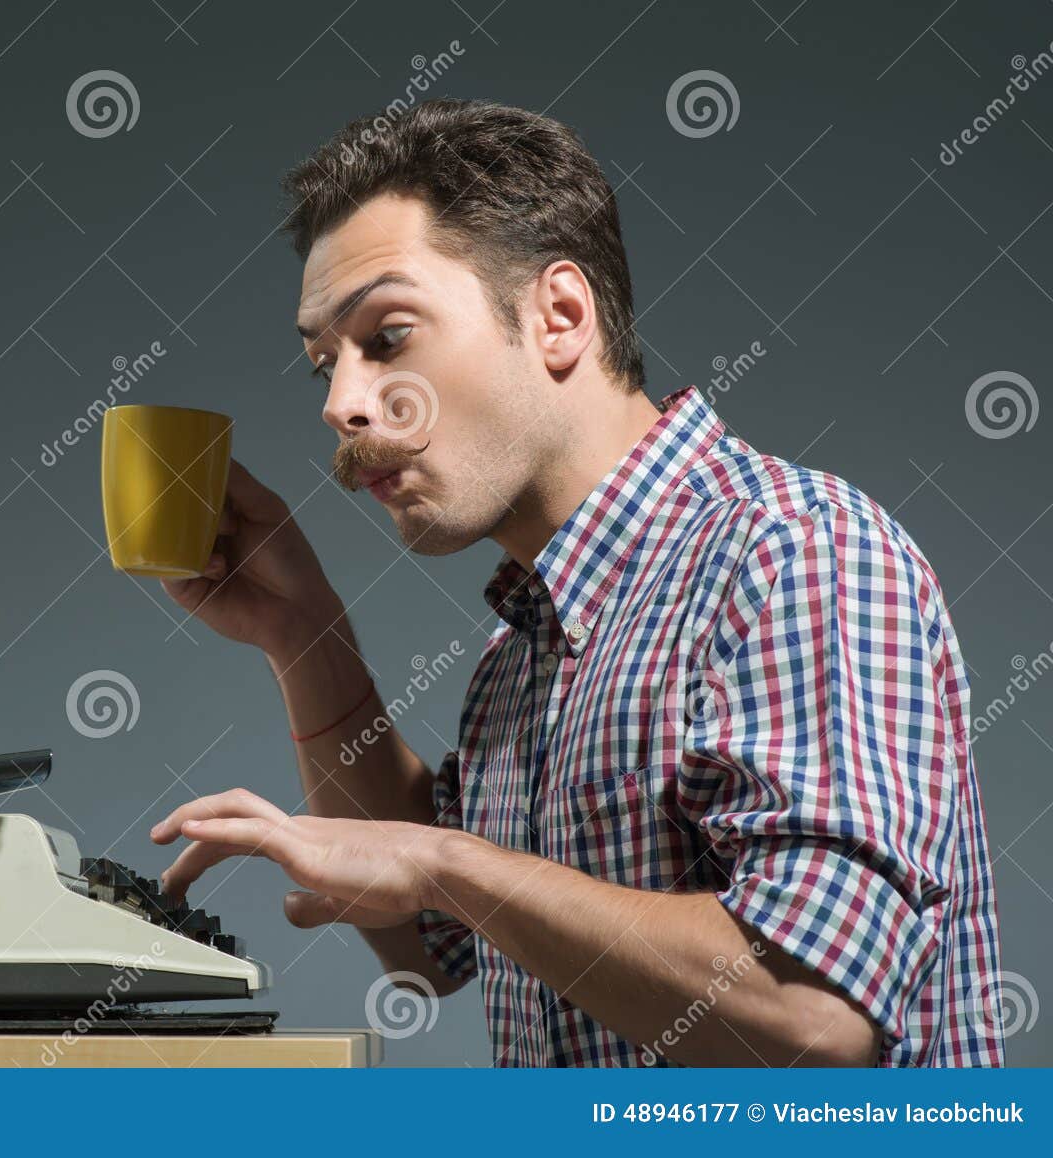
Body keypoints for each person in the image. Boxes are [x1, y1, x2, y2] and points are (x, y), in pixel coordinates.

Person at [147, 99, 1001, 1067]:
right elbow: (431, 946)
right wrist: (303, 631)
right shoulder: (524, 645)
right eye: (322, 366)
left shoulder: (793, 553)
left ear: (558, 316)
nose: (341, 404)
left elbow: (808, 1015)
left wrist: (441, 860)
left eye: (385, 337)